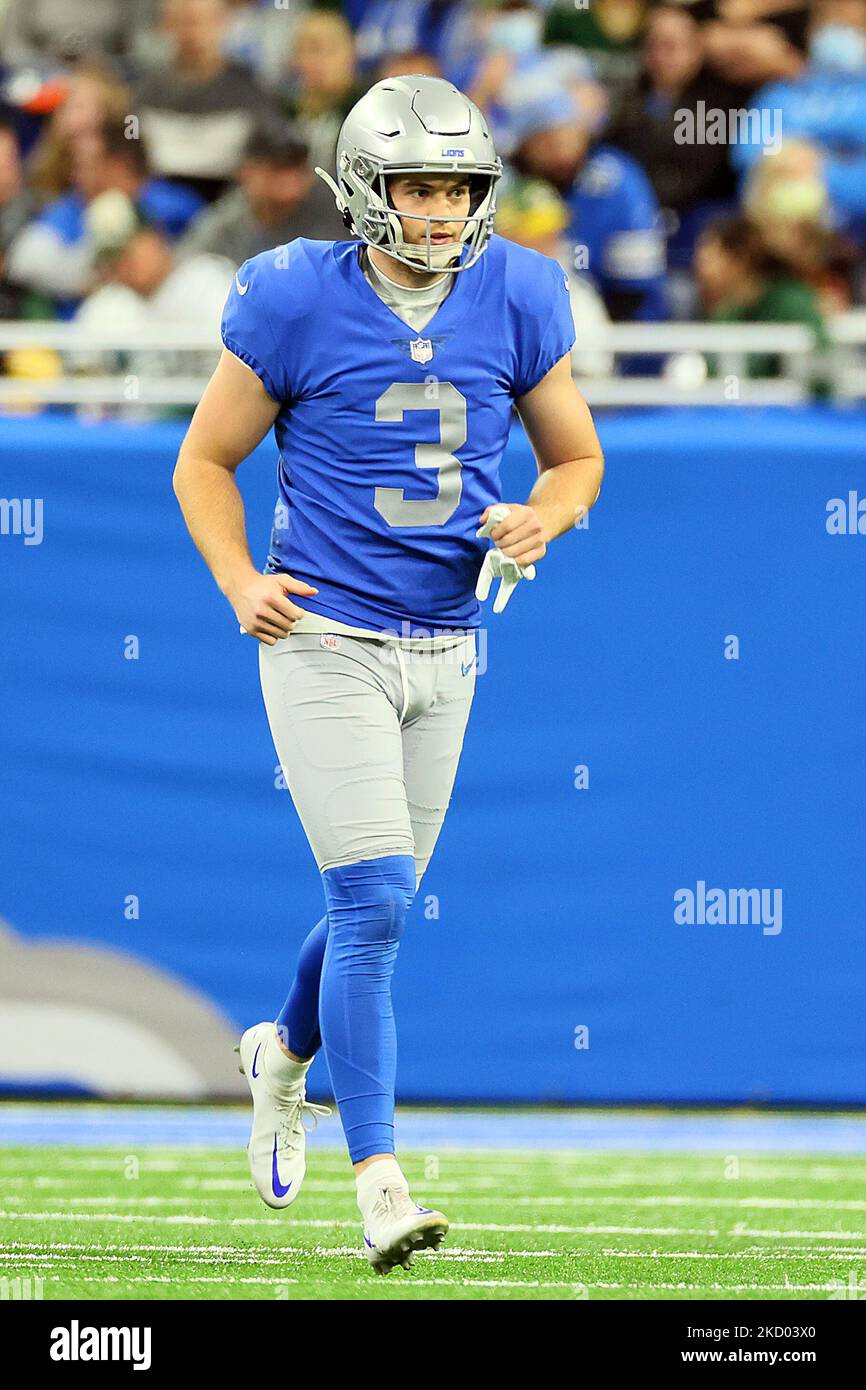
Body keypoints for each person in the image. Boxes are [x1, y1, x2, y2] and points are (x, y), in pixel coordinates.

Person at [172, 74, 604, 1274]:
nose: (438, 208)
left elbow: (577, 459)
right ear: (366, 186)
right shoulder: (295, 295)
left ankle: (280, 1056)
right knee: (372, 906)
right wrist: (234, 582)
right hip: (323, 634)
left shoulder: (517, 287)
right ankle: (379, 1179)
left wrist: (544, 515)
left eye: (457, 186)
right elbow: (204, 462)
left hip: (449, 641)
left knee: (380, 901)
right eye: (417, 183)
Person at [175, 122, 345, 266]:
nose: (290, 183)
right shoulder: (226, 225)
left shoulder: (333, 214)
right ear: (247, 172)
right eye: (277, 170)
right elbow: (187, 271)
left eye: (297, 169)